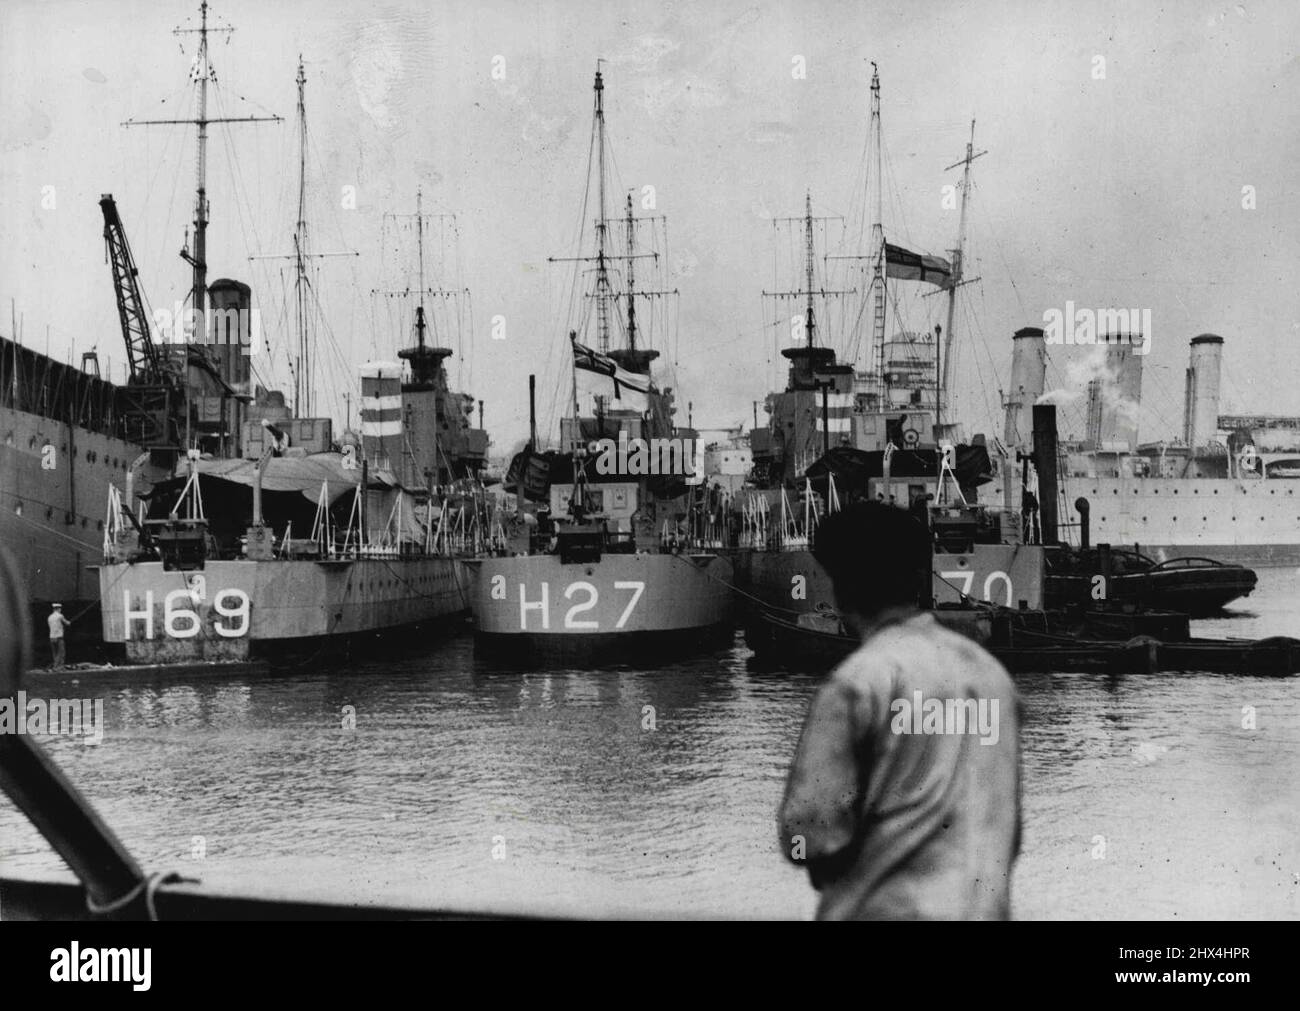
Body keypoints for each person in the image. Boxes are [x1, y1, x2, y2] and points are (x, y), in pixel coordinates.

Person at [777, 500, 1022, 920]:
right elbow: (1009, 827)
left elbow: (810, 830)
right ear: (916, 577)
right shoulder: (991, 677)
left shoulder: (858, 682)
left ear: (841, 587)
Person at [47, 603, 72, 670]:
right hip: (59, 637)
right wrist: (69, 623)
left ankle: (56, 666)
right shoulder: (60, 616)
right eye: (60, 609)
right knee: (61, 652)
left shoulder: (50, 617)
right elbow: (67, 623)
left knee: (55, 653)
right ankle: (59, 667)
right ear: (58, 609)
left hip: (51, 637)